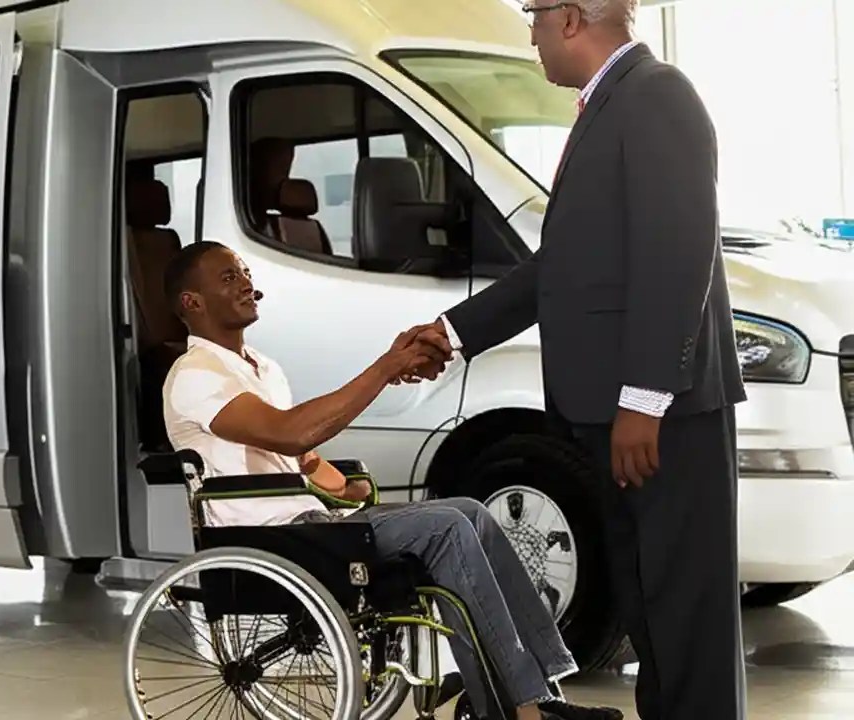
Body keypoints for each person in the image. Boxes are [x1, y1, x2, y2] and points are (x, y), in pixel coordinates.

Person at [405, 2, 748, 719]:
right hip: (612, 413)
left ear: (569, 18)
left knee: (686, 614)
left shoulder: (658, 96)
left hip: (664, 416)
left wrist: (645, 398)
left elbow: (678, 254)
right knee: (649, 611)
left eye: (533, 14)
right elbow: (561, 267)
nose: (529, 32)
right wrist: (453, 331)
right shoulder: (608, 107)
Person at [160, 241, 622, 720]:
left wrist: (345, 487)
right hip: (267, 539)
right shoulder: (195, 374)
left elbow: (302, 458)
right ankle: (520, 712)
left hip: (310, 521)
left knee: (472, 513)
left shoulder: (262, 368)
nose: (248, 285)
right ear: (191, 302)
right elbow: (292, 433)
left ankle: (543, 694)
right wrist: (385, 367)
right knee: (448, 528)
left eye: (246, 273)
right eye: (229, 278)